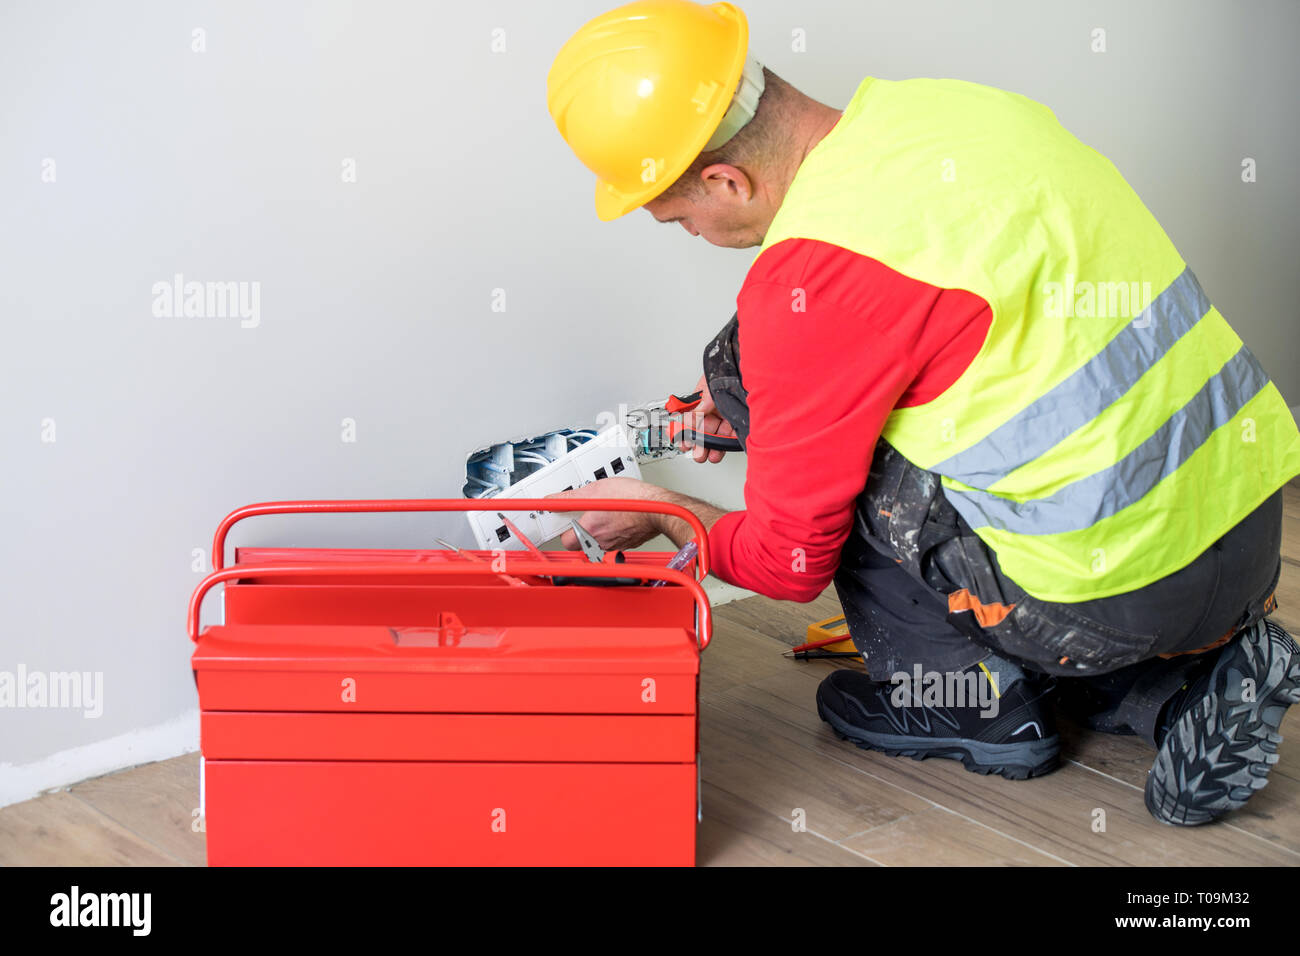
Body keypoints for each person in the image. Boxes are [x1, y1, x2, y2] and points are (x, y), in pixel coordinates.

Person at [544, 0, 1300, 825]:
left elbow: (787, 566)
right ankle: (1178, 692)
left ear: (726, 180)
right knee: (761, 371)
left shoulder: (812, 282)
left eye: (679, 215)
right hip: (1251, 532)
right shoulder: (960, 111)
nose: (685, 229)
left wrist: (663, 512)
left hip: (1104, 590)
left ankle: (966, 703)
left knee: (794, 421)